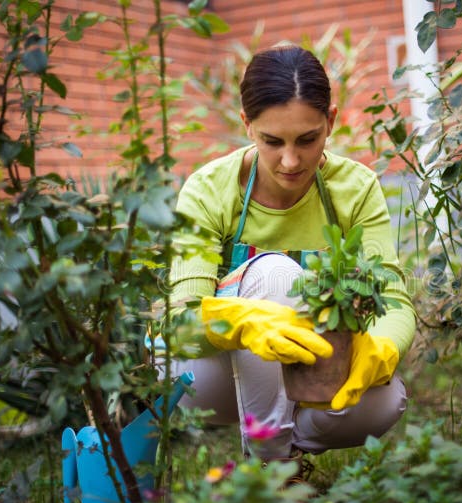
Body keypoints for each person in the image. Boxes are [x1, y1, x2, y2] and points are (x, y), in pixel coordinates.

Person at [159, 45, 416, 478]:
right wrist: (241, 321)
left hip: (314, 372)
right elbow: (180, 326)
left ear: (330, 121)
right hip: (211, 375)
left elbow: (394, 302)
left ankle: (279, 444)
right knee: (275, 274)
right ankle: (273, 472)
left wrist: (383, 346)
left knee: (387, 402)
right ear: (248, 126)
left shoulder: (355, 188)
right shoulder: (210, 190)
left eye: (308, 139)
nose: (291, 161)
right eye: (272, 141)